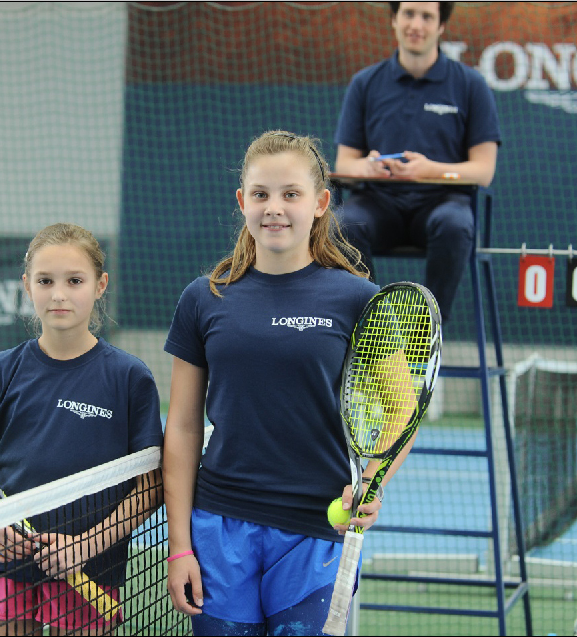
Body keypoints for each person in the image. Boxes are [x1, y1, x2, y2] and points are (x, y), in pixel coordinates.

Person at [163, 131, 409, 636]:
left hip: (316, 532)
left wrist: (372, 481)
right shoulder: (203, 298)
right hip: (219, 528)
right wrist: (180, 546)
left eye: (290, 194)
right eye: (261, 194)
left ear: (320, 203)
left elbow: (402, 409)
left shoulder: (359, 298)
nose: (274, 207)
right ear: (242, 202)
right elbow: (183, 427)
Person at [0, 223, 163, 636]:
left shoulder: (130, 377)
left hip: (90, 569)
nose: (58, 294)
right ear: (27, 286)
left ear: (100, 285)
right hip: (4, 563)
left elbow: (151, 486)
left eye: (74, 281)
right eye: (45, 281)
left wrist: (87, 544)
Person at [334, 1, 501, 322]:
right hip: (379, 204)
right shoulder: (365, 83)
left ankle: (426, 333)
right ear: (394, 19)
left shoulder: (471, 85)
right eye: (408, 14)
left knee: (455, 224)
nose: (416, 25)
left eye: (427, 16)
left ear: (441, 26)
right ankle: (375, 329)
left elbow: (483, 171)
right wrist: (366, 167)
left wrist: (430, 170)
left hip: (442, 204)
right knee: (342, 223)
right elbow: (345, 164)